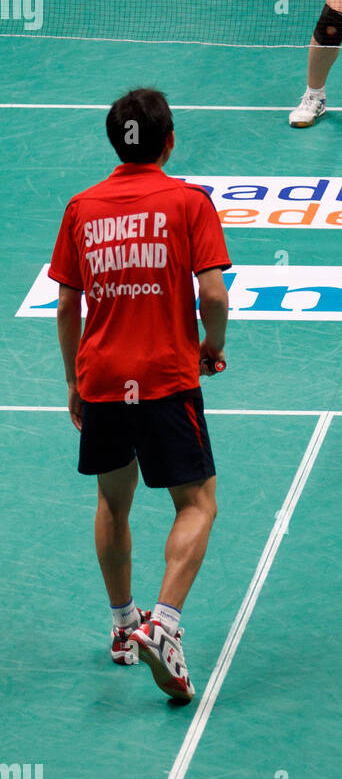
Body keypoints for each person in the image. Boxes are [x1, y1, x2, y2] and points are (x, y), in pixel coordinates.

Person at [49, 88, 231, 702]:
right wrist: (212, 343)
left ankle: (124, 625)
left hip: (102, 377)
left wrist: (76, 380)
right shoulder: (188, 202)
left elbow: (68, 302)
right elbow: (214, 294)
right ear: (170, 140)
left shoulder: (82, 207)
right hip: (164, 376)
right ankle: (166, 625)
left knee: (113, 500)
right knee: (197, 503)